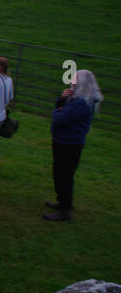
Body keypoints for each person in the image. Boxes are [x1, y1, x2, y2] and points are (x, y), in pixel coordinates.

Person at [44, 70, 103, 222]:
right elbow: (60, 110)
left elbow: (60, 118)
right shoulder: (79, 100)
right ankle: (63, 203)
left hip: (68, 143)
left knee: (63, 175)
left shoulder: (81, 103)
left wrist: (56, 112)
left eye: (75, 80)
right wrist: (62, 99)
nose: (72, 82)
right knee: (63, 173)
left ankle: (64, 210)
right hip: (67, 141)